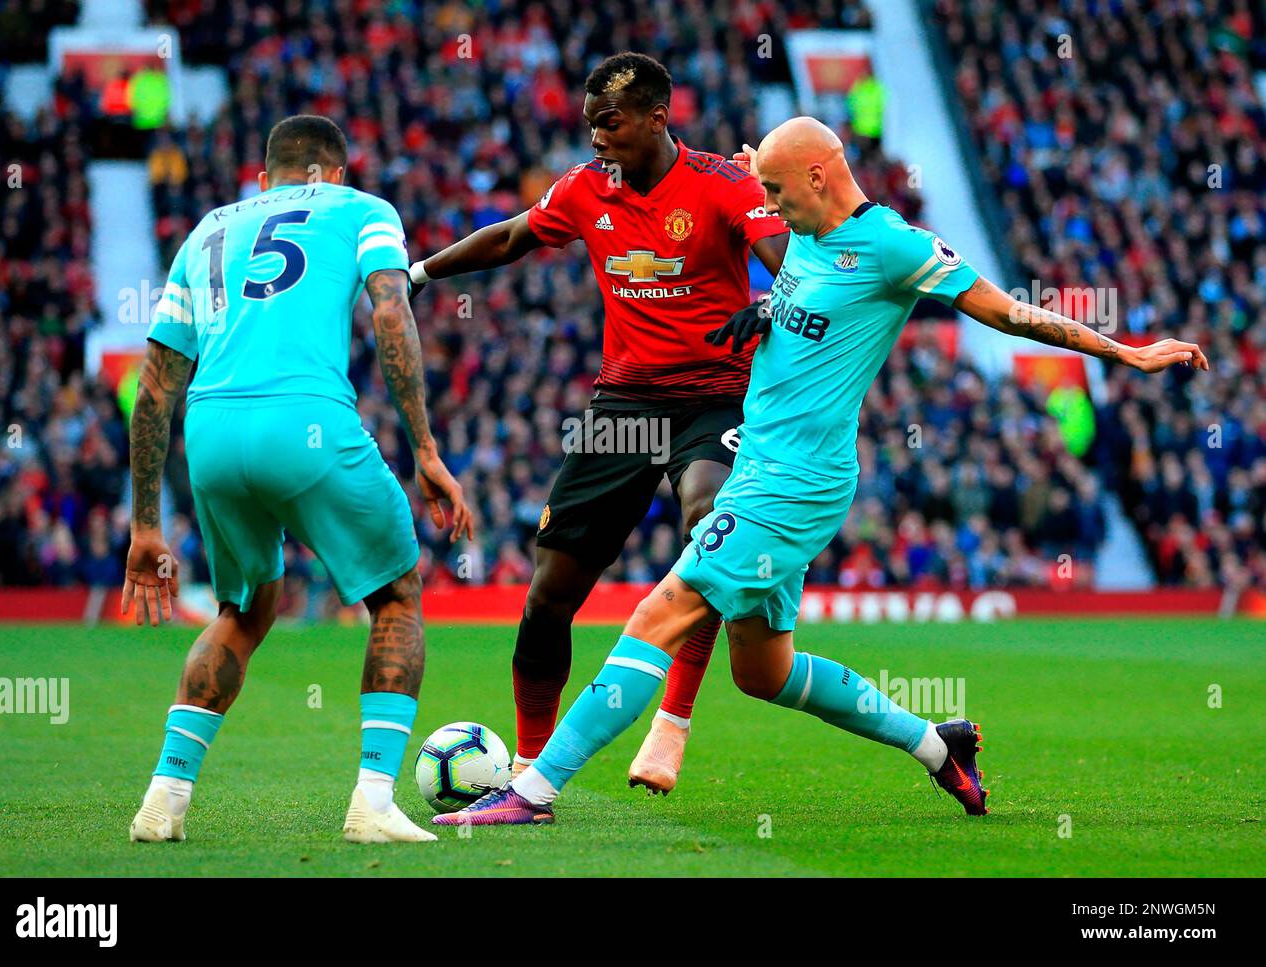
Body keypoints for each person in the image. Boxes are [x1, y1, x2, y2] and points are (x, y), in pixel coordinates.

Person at [431, 116, 1209, 826]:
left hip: (793, 483)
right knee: (763, 673)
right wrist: (763, 287)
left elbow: (1009, 311)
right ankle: (941, 746)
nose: (761, 208)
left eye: (772, 190)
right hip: (758, 462)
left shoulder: (895, 247)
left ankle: (533, 791)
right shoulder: (800, 222)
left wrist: (1125, 350)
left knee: (656, 615)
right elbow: (788, 250)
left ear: (817, 178)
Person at [409, 52, 789, 795]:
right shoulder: (587, 191)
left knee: (708, 516)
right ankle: (527, 765)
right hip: (624, 408)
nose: (595, 139)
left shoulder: (723, 185)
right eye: (588, 124)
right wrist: (420, 274)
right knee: (549, 592)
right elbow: (512, 237)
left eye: (609, 123)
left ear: (657, 117)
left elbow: (788, 262)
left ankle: (670, 724)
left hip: (717, 397)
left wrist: (776, 300)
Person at [124, 115, 471, 845]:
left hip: (211, 430)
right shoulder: (360, 209)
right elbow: (389, 309)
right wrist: (426, 449)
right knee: (397, 593)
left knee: (243, 610)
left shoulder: (207, 230)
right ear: (336, 172)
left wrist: (145, 523)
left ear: (263, 178)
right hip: (305, 417)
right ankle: (373, 799)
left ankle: (164, 797)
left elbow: (155, 385)